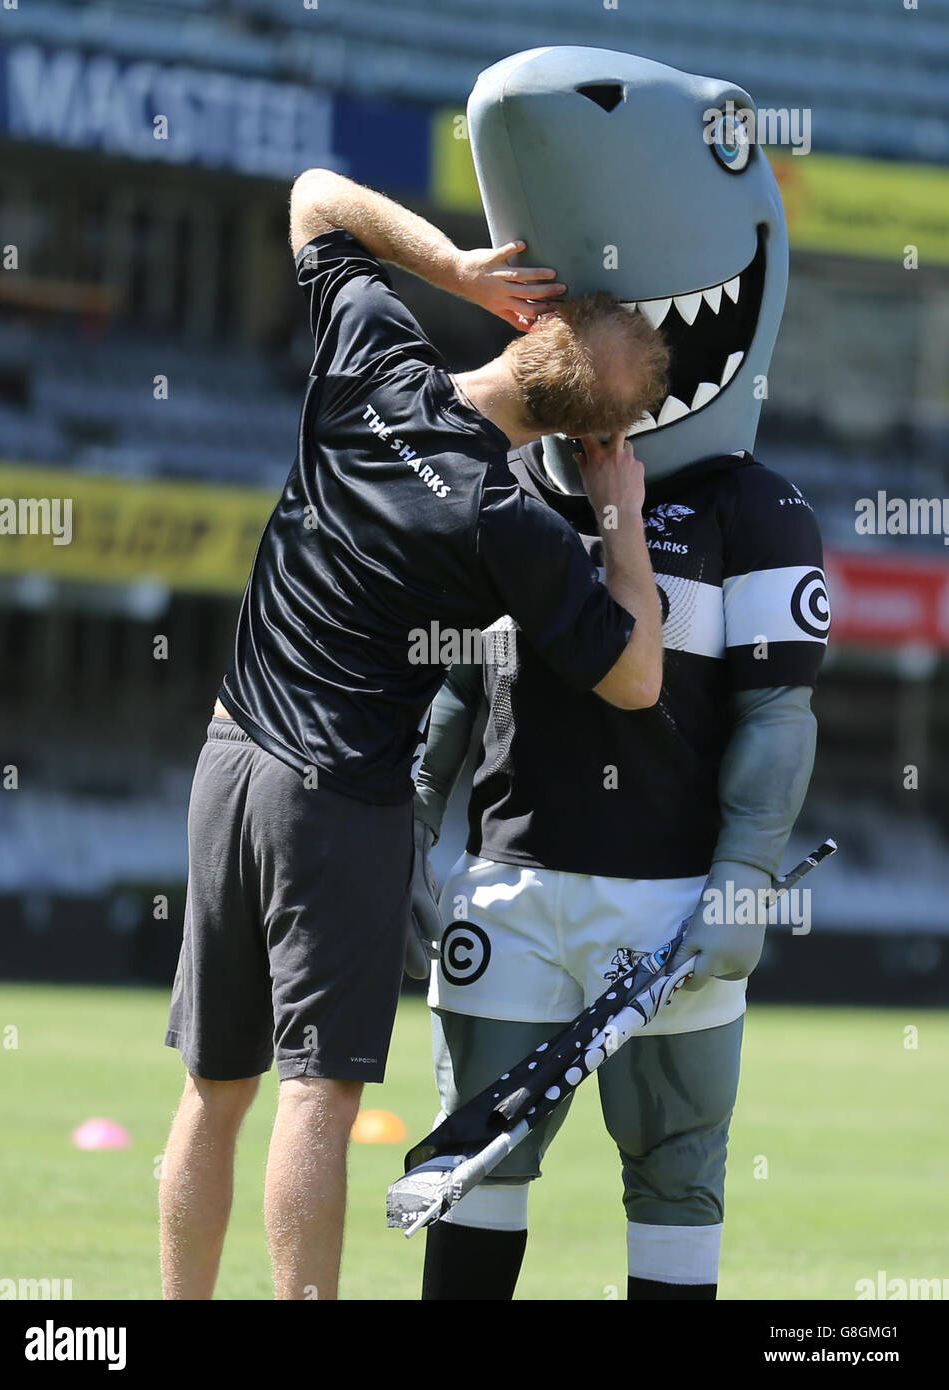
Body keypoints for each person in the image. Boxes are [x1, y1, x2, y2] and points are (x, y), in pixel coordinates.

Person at [158, 167, 669, 1300]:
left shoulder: (375, 356)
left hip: (226, 754)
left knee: (213, 1088)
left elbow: (311, 196)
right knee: (318, 1094)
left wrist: (454, 270)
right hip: (335, 801)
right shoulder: (510, 521)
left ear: (527, 323)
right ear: (588, 435)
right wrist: (619, 513)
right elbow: (636, 677)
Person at [409, 46, 831, 1301]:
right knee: (477, 1172)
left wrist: (742, 880)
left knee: (679, 1173)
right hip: (511, 889)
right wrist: (418, 848)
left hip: (669, 906)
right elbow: (449, 694)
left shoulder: (763, 512)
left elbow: (775, 714)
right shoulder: (497, 488)